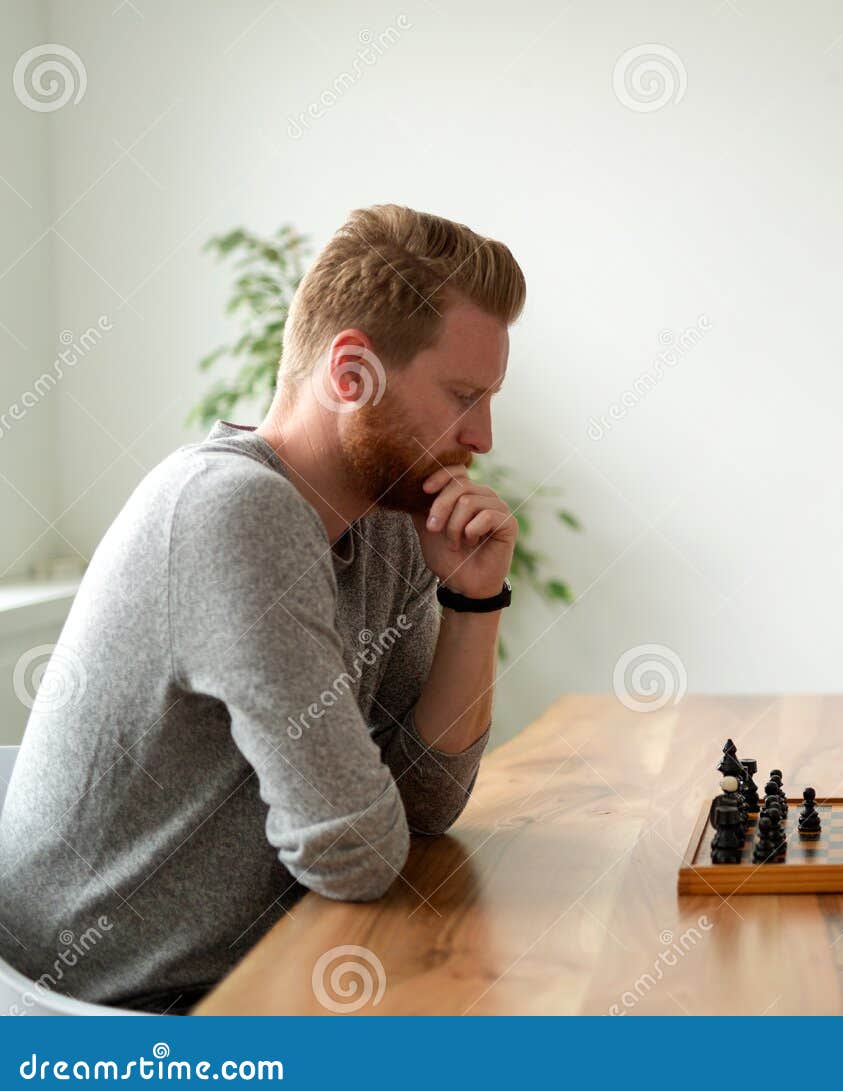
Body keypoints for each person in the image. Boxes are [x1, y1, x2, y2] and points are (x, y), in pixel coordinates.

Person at [0, 204, 525, 1013]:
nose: (483, 436)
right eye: (463, 395)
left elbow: (423, 806)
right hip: (126, 1022)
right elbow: (355, 851)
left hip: (252, 973)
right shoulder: (235, 510)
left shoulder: (385, 527)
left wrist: (473, 598)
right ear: (352, 374)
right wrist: (361, 800)